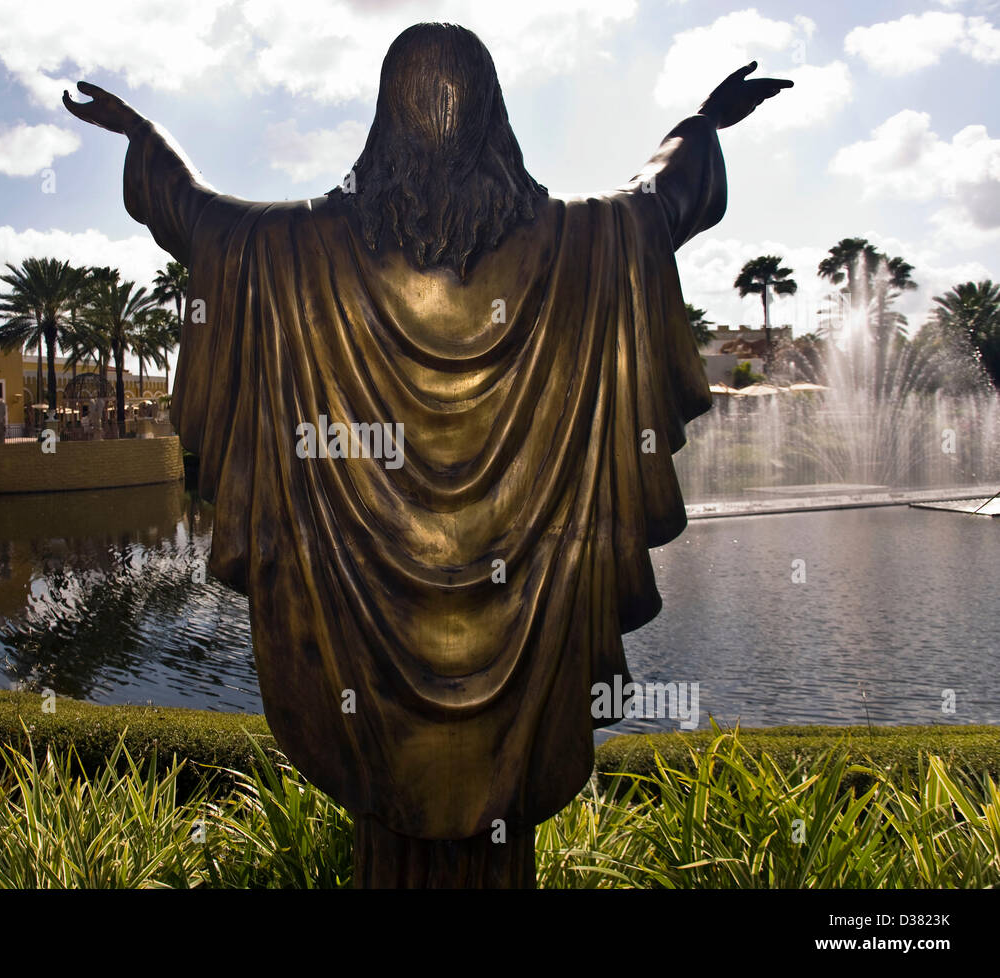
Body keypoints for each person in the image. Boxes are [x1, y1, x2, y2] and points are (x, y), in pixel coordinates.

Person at [66, 22, 791, 887]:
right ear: (497, 118)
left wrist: (144, 136)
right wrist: (704, 119)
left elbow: (197, 216)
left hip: (365, 660)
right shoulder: (583, 245)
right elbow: (660, 197)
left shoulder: (296, 250)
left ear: (385, 120)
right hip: (529, 632)